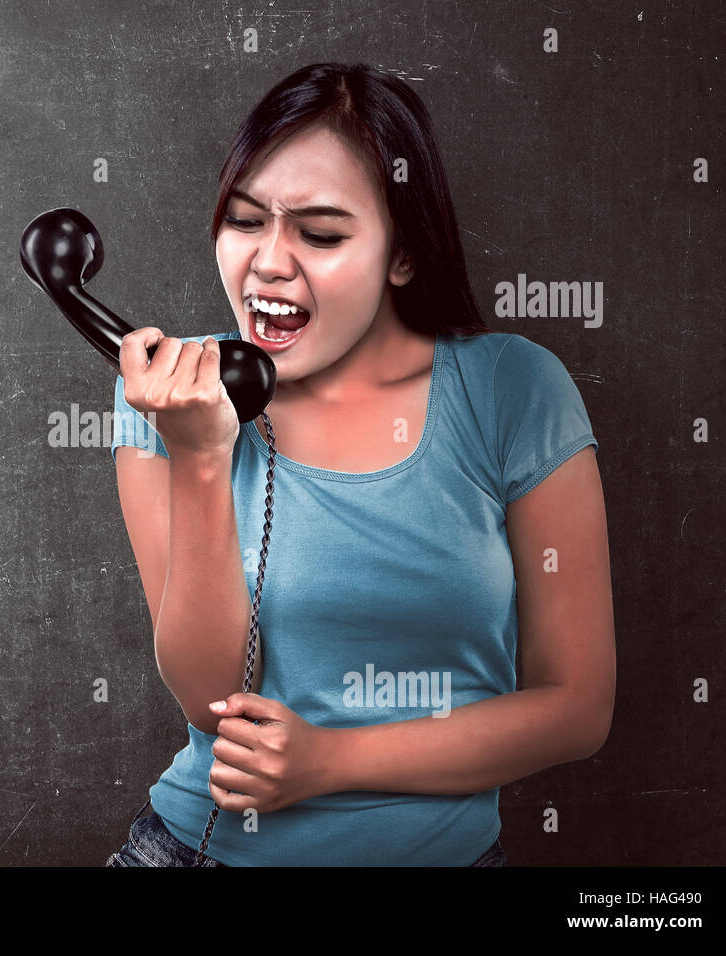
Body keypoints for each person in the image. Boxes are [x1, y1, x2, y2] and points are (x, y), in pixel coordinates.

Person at [103, 62, 615, 866]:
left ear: (403, 255)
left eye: (321, 234)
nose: (269, 262)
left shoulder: (513, 391)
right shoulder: (173, 396)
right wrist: (201, 461)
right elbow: (210, 701)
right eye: (244, 221)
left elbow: (577, 708)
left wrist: (328, 764)